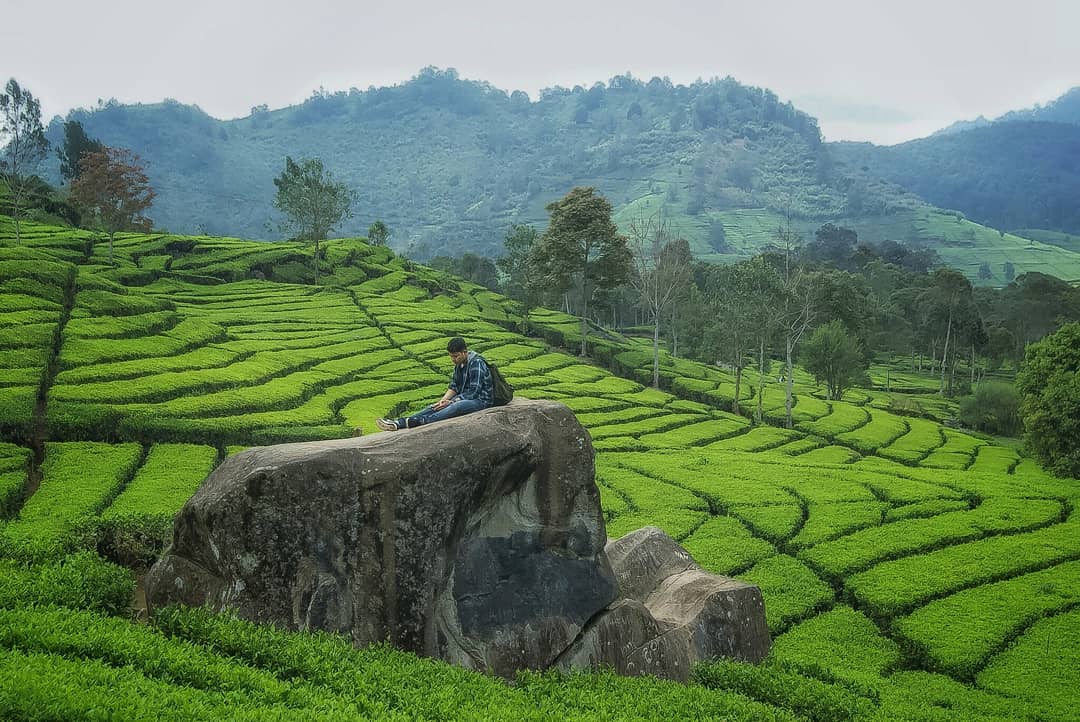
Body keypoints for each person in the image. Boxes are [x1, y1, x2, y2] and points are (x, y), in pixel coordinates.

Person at [376, 337, 493, 431]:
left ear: (465, 352)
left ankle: (421, 421)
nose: (453, 359)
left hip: (481, 401)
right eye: (451, 356)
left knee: (456, 406)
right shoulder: (459, 364)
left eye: (456, 356)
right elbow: (454, 386)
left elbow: (474, 392)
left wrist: (452, 402)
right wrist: (442, 401)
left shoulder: (476, 363)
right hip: (464, 398)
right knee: (436, 406)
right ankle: (399, 422)